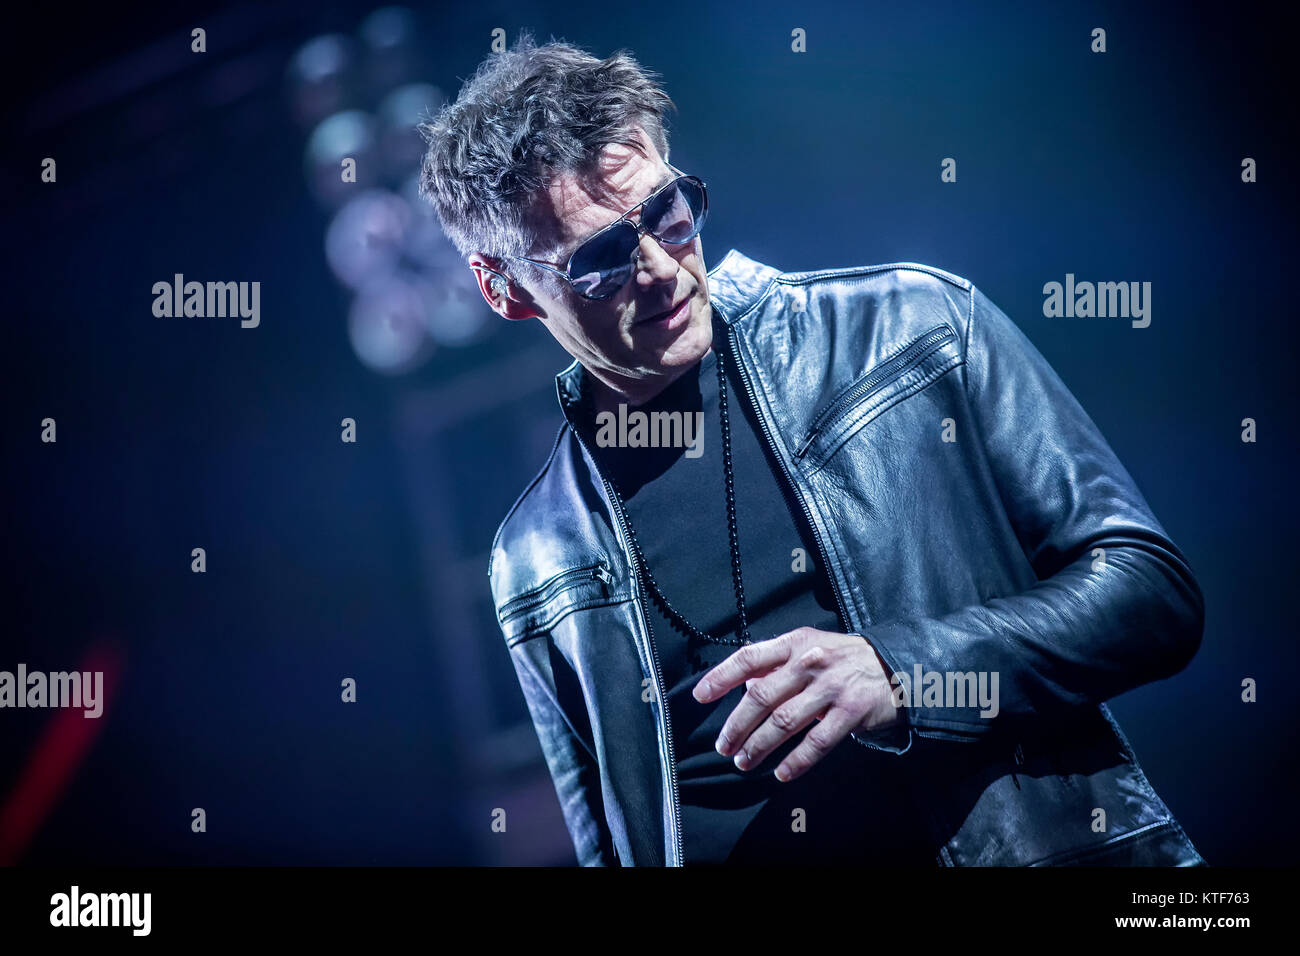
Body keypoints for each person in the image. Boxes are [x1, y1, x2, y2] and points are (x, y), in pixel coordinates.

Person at [417, 33, 1206, 866]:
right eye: (603, 258)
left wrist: (903, 676)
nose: (658, 267)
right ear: (504, 290)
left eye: (668, 212)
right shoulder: (533, 556)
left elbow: (1152, 600)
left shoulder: (912, 328)